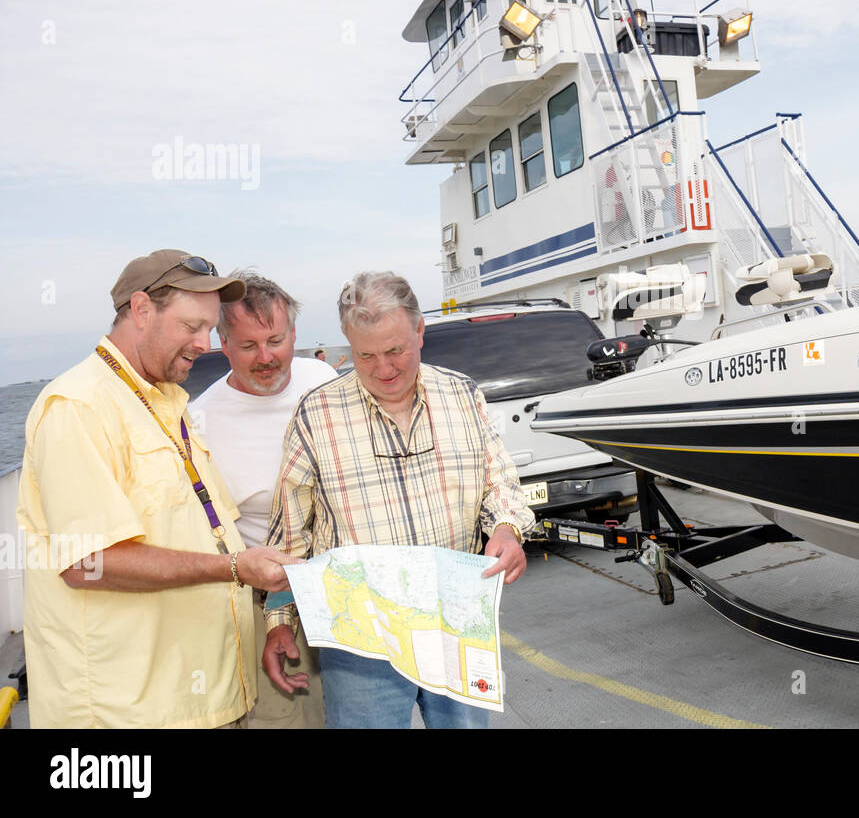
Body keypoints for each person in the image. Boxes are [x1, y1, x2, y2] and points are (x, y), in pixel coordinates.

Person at [17, 250, 301, 728]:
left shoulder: (167, 401)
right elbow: (88, 563)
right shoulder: (78, 406)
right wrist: (234, 567)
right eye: (191, 327)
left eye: (210, 329)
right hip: (129, 715)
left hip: (204, 700)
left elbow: (205, 530)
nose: (205, 343)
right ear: (142, 309)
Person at [262, 271, 534, 729]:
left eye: (395, 351)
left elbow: (499, 481)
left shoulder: (462, 395)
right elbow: (292, 531)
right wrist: (279, 619)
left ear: (421, 331)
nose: (383, 369)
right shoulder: (316, 414)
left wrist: (507, 528)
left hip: (456, 624)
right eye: (365, 355)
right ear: (348, 343)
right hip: (361, 640)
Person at [191, 270, 338, 728]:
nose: (266, 357)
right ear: (223, 343)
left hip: (346, 592)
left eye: (276, 340)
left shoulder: (322, 379)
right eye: (249, 345)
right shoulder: (202, 422)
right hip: (275, 605)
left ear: (294, 333)